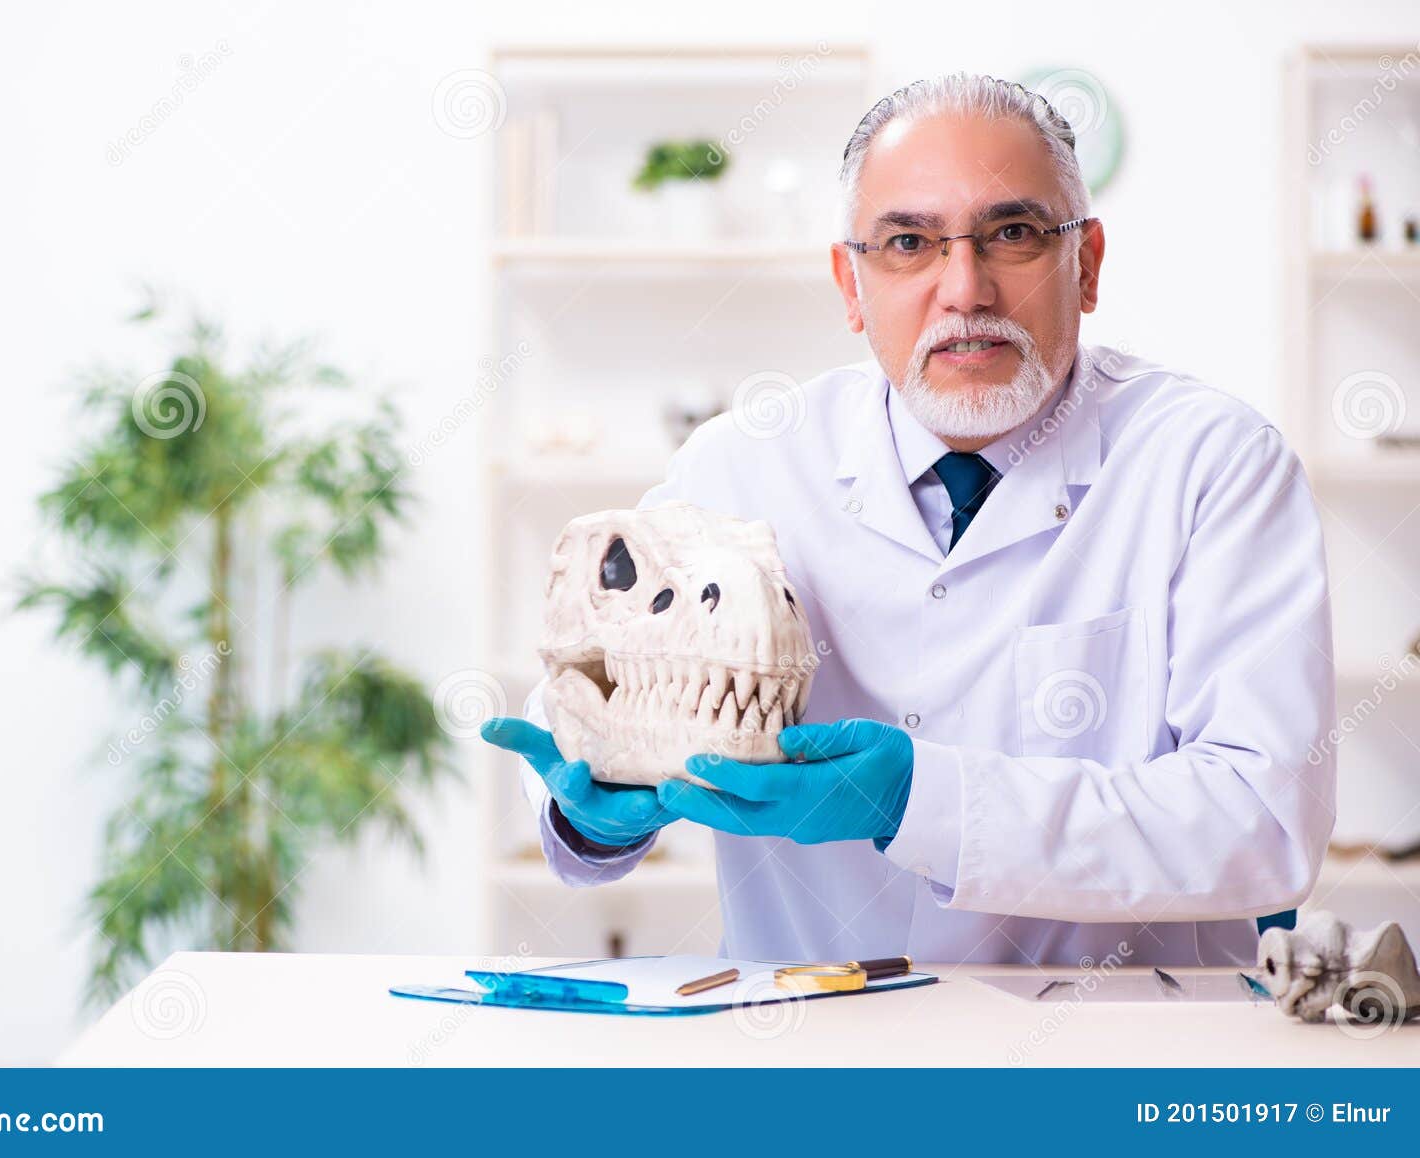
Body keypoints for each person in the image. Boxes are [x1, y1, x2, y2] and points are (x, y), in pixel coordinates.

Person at [483, 73, 1333, 966]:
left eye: (1012, 234)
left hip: (1112, 1062)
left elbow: (1263, 821)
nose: (963, 289)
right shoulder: (738, 465)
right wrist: (594, 818)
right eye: (908, 243)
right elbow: (605, 687)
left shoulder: (1214, 464)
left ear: (1085, 265)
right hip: (813, 1055)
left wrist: (920, 804)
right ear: (851, 283)